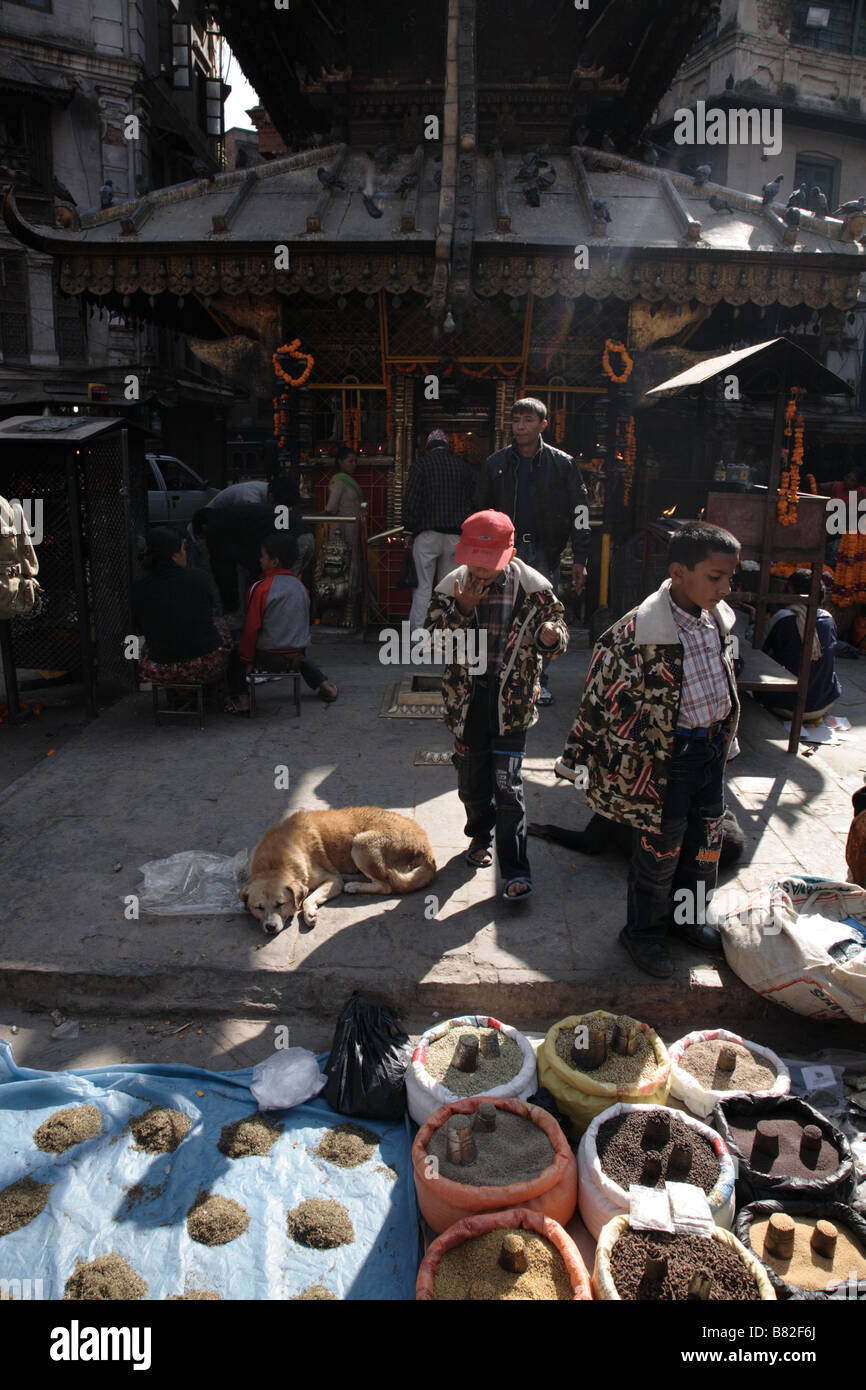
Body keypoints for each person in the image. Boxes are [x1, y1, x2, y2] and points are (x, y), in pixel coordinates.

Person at [556, 521, 741, 978]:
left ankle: (688, 921)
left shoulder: (715, 620)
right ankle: (642, 935)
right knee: (658, 856)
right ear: (678, 573)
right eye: (715, 577)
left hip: (710, 754)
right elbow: (597, 700)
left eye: (729, 577)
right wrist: (581, 758)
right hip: (663, 765)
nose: (726, 587)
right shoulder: (633, 634)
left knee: (705, 849)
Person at [424, 509, 568, 900]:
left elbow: (559, 634)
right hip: (468, 703)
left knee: (509, 786)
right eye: (476, 563)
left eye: (489, 565)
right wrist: (463, 610)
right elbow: (431, 642)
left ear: (511, 553)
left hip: (514, 703)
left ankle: (516, 870)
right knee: (472, 785)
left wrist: (551, 637)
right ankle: (478, 837)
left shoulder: (536, 590)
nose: (481, 573)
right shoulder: (451, 588)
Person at [475, 397, 590, 704]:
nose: (521, 426)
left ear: (543, 425)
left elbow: (580, 510)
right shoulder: (496, 464)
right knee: (502, 612)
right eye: (516, 420)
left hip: (544, 550)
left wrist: (580, 557)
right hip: (504, 552)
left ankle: (539, 678)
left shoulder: (562, 464)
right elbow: (481, 510)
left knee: (542, 613)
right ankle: (500, 675)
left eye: (528, 420)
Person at [224, 530, 337, 713]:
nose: (260, 560)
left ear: (274, 562)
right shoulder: (301, 588)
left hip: (268, 656)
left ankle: (242, 701)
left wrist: (247, 659)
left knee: (234, 656)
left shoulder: (260, 588)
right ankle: (327, 687)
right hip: (297, 654)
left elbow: (251, 629)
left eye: (263, 556)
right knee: (297, 656)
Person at [132, 527, 232, 702]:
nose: (185, 554)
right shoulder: (200, 578)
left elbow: (138, 626)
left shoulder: (139, 588)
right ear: (174, 555)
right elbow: (213, 610)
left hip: (160, 669)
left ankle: (177, 693)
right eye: (183, 550)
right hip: (206, 664)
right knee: (220, 624)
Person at [403, 428, 476, 634]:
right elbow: (476, 497)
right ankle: (448, 634)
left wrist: (408, 530)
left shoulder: (421, 466)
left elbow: (412, 501)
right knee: (450, 590)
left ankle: (418, 637)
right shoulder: (462, 468)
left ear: (428, 448)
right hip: (455, 535)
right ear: (447, 446)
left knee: (423, 588)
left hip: (427, 535)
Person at [754, 569, 841, 724]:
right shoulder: (828, 619)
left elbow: (757, 647)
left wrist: (755, 622)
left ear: (791, 590)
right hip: (824, 703)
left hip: (786, 706)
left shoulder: (783, 618)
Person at [325, 446, 363, 541]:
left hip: (353, 526)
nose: (354, 465)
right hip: (342, 529)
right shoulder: (339, 482)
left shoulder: (348, 481)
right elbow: (331, 508)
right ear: (340, 462)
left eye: (355, 462)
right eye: (350, 461)